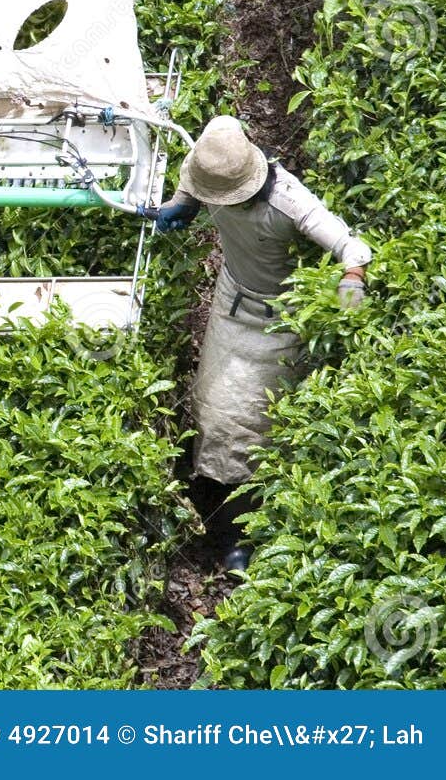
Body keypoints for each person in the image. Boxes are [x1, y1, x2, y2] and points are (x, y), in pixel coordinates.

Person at [149, 116, 371, 572]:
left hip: (281, 323)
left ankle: (245, 535)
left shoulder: (289, 202)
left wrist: (352, 279)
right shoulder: (211, 160)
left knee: (259, 428)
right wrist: (182, 204)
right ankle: (219, 510)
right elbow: (198, 175)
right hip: (232, 307)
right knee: (212, 409)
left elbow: (351, 246)